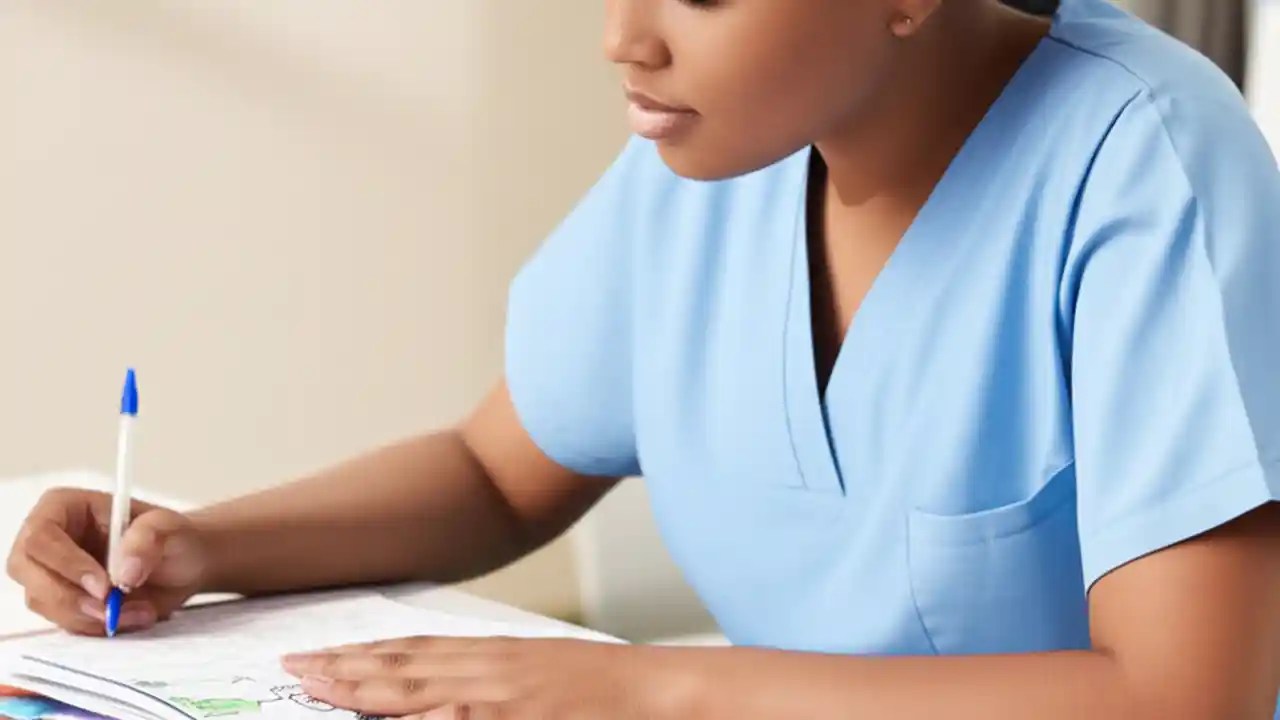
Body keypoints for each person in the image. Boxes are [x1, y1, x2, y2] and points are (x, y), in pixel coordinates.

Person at [9, 0, 1280, 717]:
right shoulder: (714, 157)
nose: (623, 36)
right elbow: (494, 473)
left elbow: (1182, 699)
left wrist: (654, 693)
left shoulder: (1144, 161)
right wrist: (198, 547)